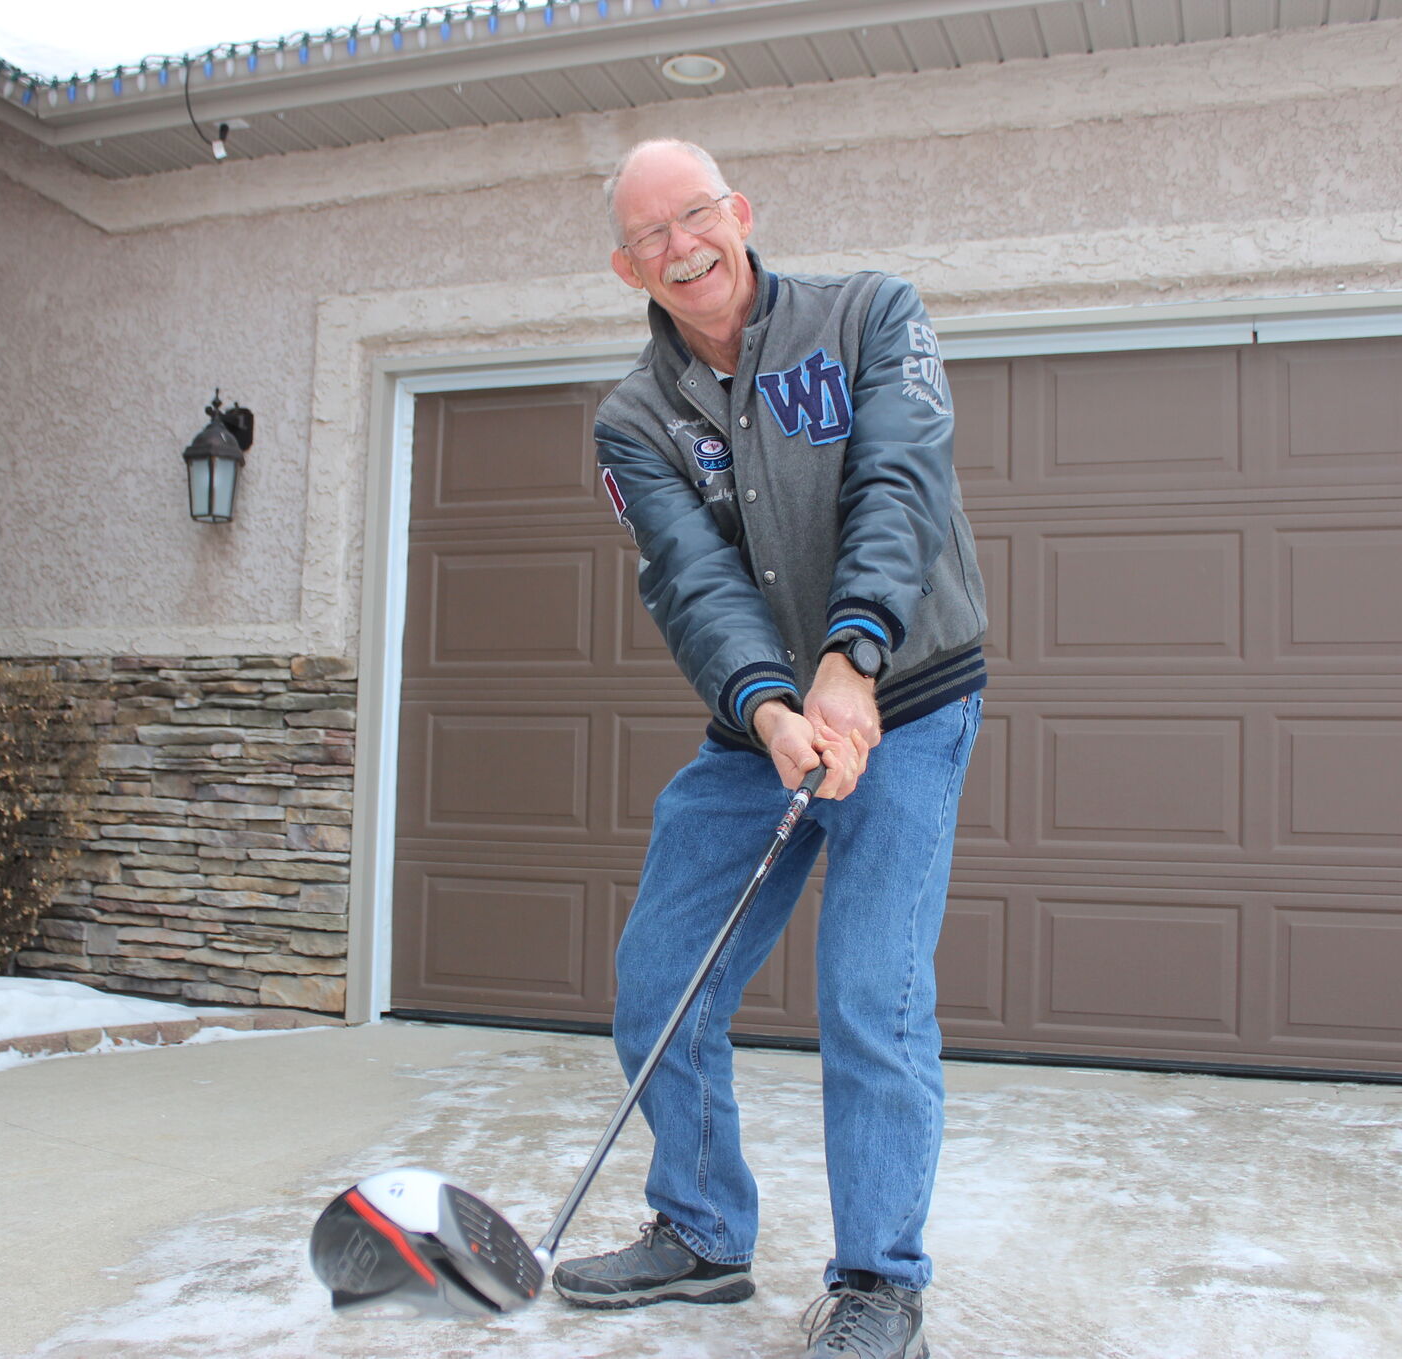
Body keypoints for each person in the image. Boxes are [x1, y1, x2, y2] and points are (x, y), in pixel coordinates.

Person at [550, 139, 989, 1359]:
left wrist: (852, 661)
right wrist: (772, 708)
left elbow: (897, 482)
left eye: (695, 214)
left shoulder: (868, 315)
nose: (680, 245)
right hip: (761, 725)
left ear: (737, 212)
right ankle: (698, 1235)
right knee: (660, 977)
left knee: (868, 996)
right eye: (649, 235)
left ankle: (877, 1282)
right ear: (622, 262)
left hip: (908, 696)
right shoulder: (631, 418)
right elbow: (691, 580)